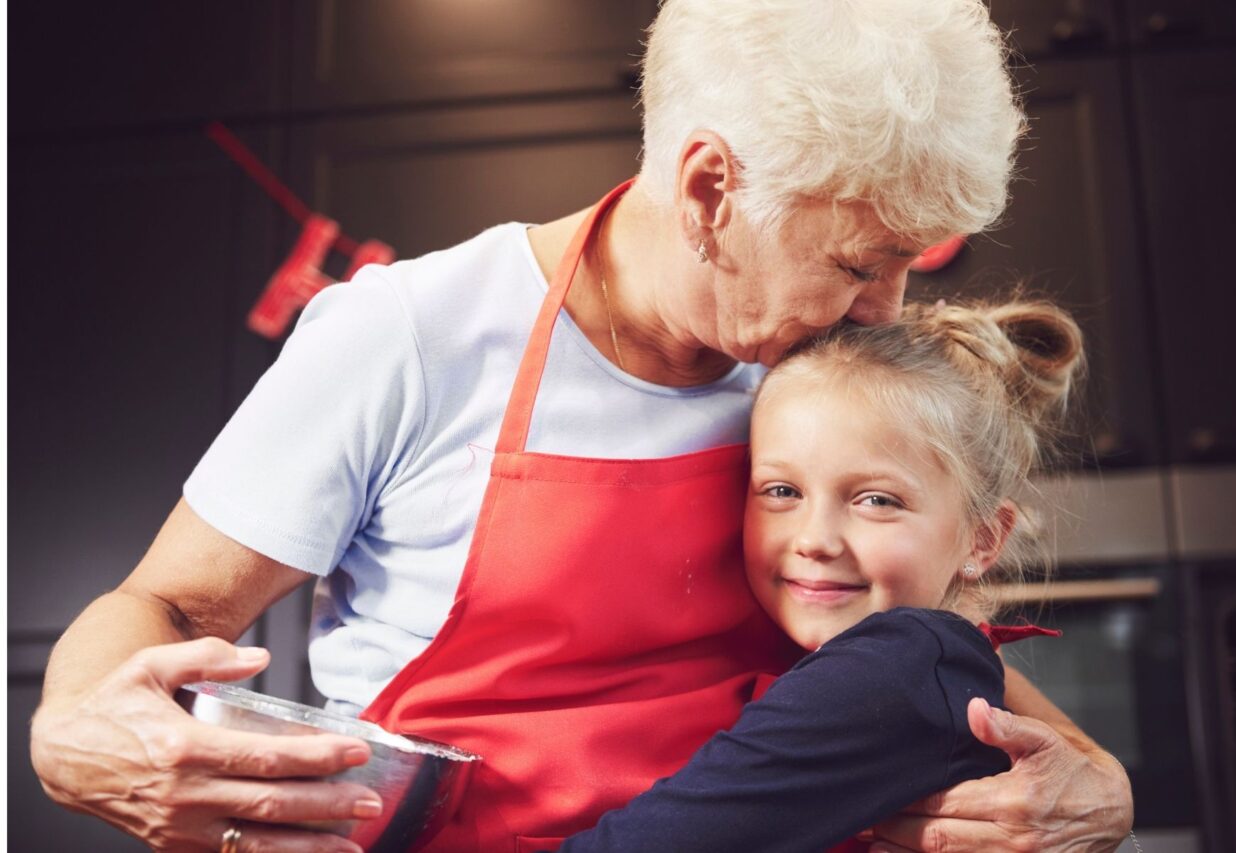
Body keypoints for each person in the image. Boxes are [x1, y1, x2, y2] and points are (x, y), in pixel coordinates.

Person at [29, 1, 1134, 851]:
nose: (885, 310)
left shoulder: (820, 370)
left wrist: (1096, 776)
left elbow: (908, 641)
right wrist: (73, 719)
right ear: (709, 189)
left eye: (904, 264)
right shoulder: (413, 334)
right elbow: (166, 604)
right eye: (858, 263)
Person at [553, 298, 1081, 852]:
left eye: (877, 500)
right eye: (783, 491)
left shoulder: (892, 673)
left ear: (983, 539)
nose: (815, 540)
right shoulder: (925, 662)